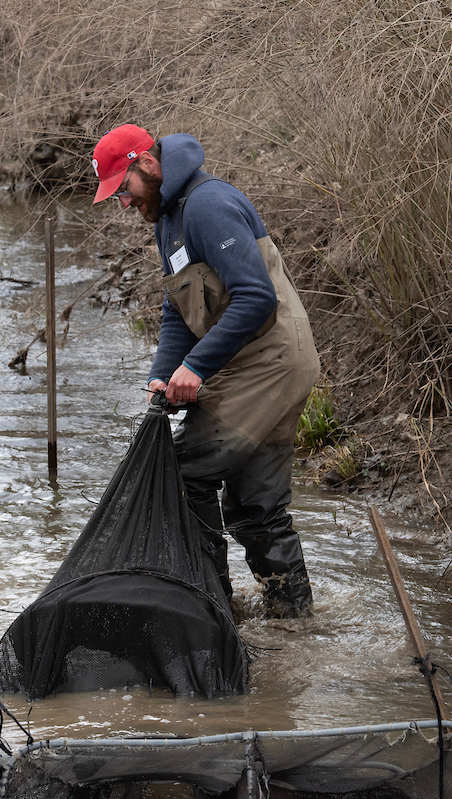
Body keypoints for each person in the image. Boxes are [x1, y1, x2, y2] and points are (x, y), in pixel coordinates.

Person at [92, 123, 321, 618]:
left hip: (271, 364)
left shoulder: (206, 206)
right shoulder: (167, 217)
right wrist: (164, 370)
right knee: (257, 505)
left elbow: (256, 298)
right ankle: (294, 624)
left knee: (179, 470)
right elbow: (178, 309)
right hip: (253, 362)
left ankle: (209, 609)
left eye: (123, 189)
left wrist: (195, 367)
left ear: (147, 165)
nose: (123, 203)